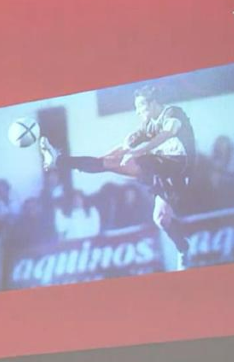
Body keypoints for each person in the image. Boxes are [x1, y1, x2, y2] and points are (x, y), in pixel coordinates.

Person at [39, 85, 196, 268]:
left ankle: (60, 160)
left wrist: (138, 152)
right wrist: (100, 161)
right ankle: (183, 248)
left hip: (178, 170)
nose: (137, 111)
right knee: (160, 218)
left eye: (140, 106)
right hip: (159, 170)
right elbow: (123, 148)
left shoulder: (173, 113)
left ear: (153, 103)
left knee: (114, 164)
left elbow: (167, 134)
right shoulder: (146, 126)